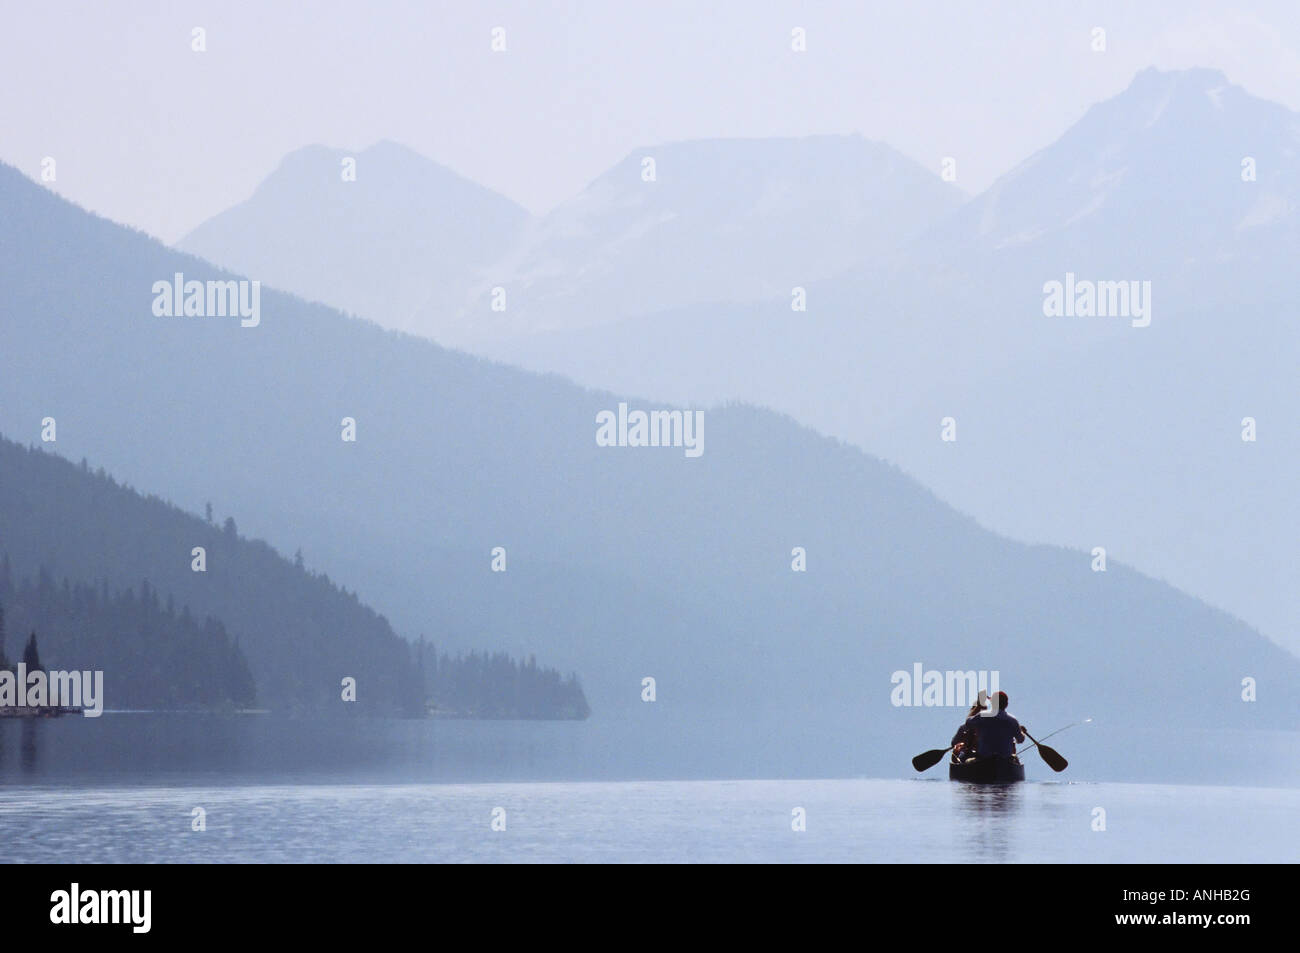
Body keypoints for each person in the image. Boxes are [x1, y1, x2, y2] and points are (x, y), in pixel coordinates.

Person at [971, 691, 1026, 760]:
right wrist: (1021, 732)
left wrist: (978, 707)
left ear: (992, 703)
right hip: (1005, 760)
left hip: (983, 758)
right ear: (1006, 704)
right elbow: (1020, 740)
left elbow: (968, 724)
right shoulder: (1012, 721)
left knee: (968, 761)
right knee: (1016, 760)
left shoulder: (982, 715)